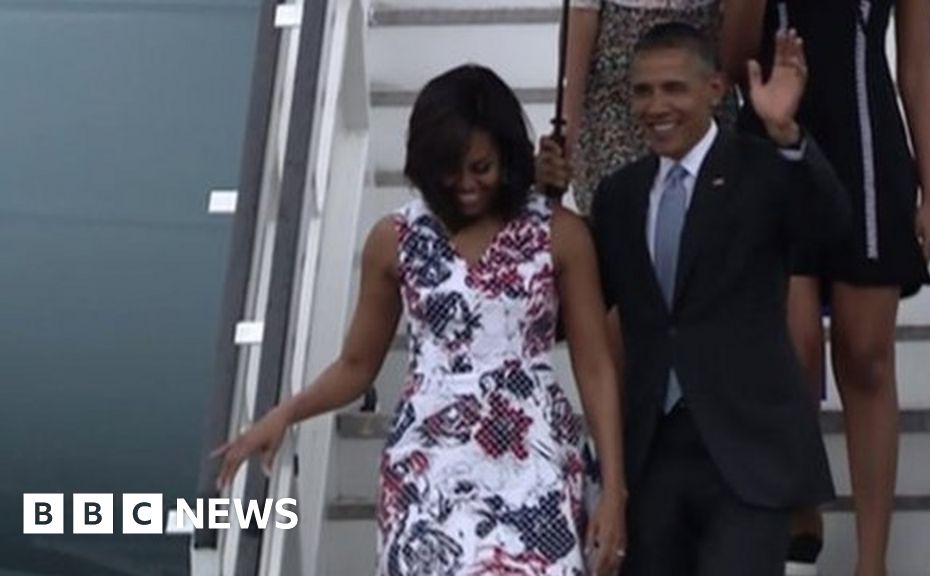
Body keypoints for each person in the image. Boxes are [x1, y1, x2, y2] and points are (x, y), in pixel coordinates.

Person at [214, 64, 627, 575]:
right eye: (448, 171)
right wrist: (286, 412)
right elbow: (356, 364)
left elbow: (595, 369)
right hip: (425, 468)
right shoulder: (392, 239)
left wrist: (614, 490)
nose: (465, 185)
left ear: (509, 157)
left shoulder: (558, 233)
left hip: (536, 461)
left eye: (482, 167)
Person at [538, 22, 849, 574]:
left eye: (674, 88)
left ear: (713, 89)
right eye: (642, 90)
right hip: (652, 455)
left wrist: (786, 134)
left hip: (747, 451)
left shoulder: (761, 169)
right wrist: (546, 205)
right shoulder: (619, 196)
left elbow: (829, 226)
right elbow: (566, 313)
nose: (657, 105)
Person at [729, 3, 930, 574]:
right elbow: (729, 58)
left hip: (868, 145)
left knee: (867, 358)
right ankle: (801, 511)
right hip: (773, 134)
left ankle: (872, 562)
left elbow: (917, 68)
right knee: (792, 352)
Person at [565, 0, 761, 215]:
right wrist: (570, 126)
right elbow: (583, 16)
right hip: (616, 111)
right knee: (620, 216)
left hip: (697, 96)